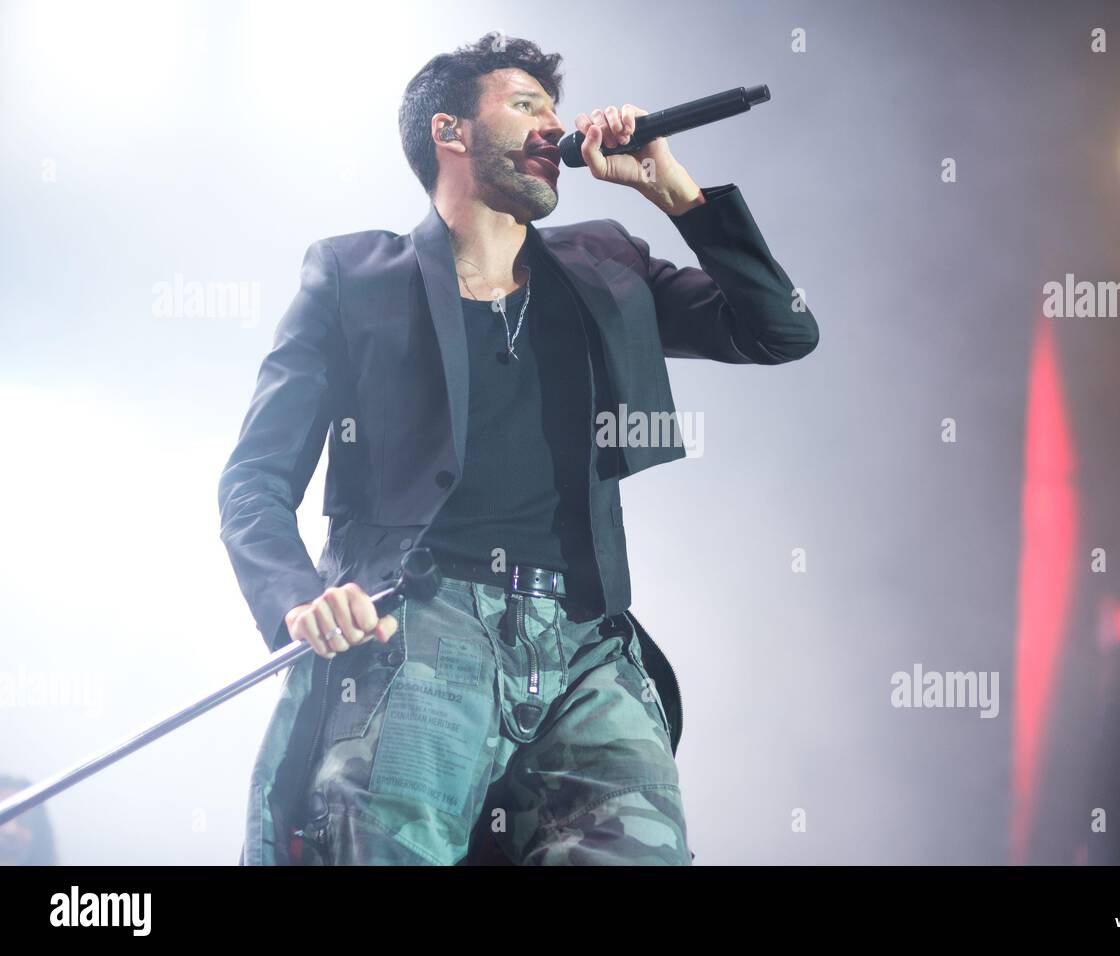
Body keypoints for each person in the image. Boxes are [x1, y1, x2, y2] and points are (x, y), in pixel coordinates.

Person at [218, 33, 818, 866]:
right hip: (423, 621)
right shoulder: (355, 276)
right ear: (450, 131)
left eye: (555, 108)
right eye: (526, 104)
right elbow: (253, 479)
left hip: (584, 640)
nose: (554, 125)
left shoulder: (605, 261)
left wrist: (677, 195)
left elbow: (781, 330)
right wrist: (294, 600)